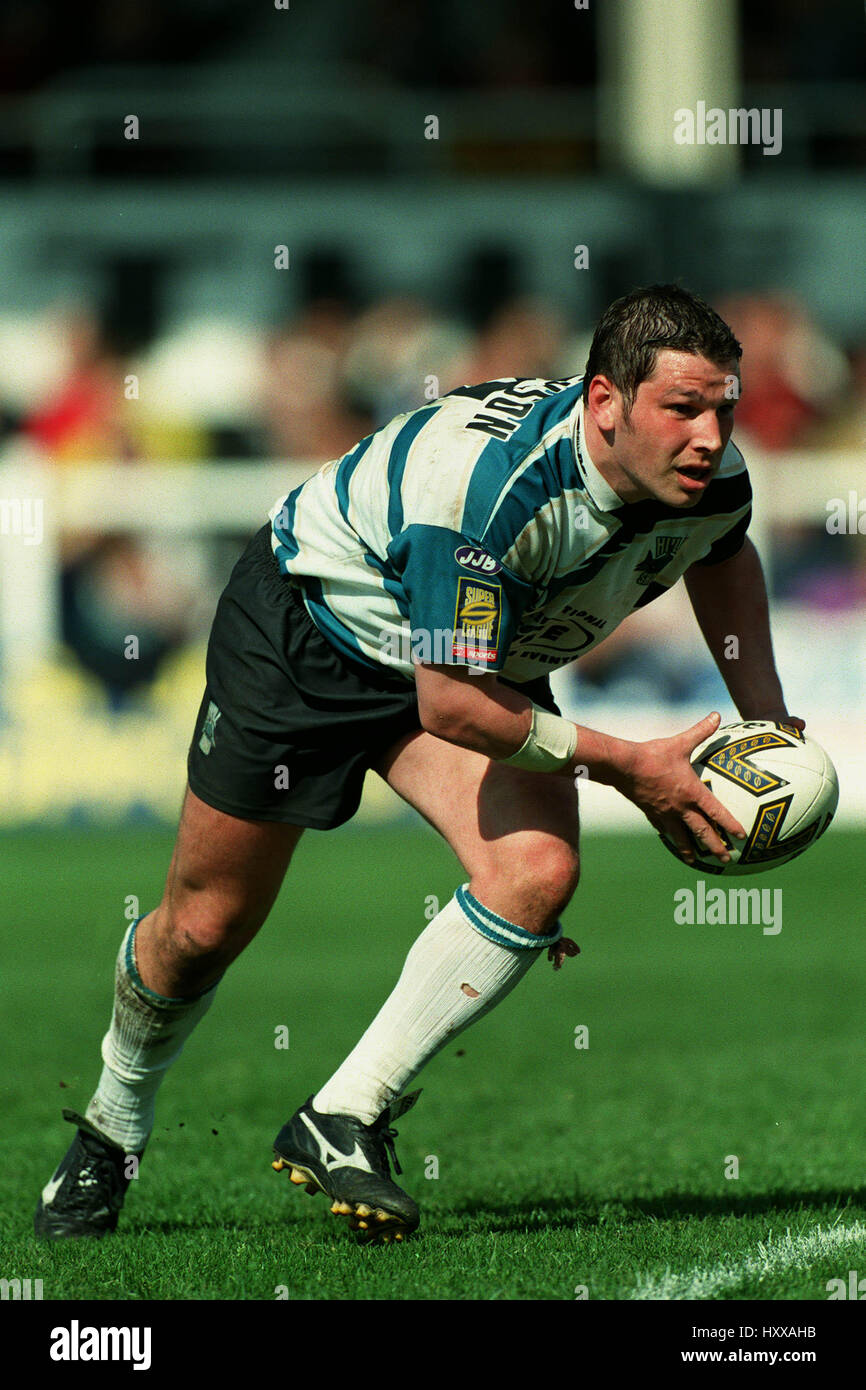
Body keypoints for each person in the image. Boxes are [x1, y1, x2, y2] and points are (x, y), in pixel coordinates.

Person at [35, 284, 803, 1246]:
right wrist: (629, 766)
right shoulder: (493, 491)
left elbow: (723, 554)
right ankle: (112, 1130)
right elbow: (454, 704)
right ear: (605, 402)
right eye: (682, 408)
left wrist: (768, 724)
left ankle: (342, 1114)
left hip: (467, 658)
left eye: (722, 407)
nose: (709, 434)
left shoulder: (710, 478)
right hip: (309, 633)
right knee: (203, 927)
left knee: (535, 873)